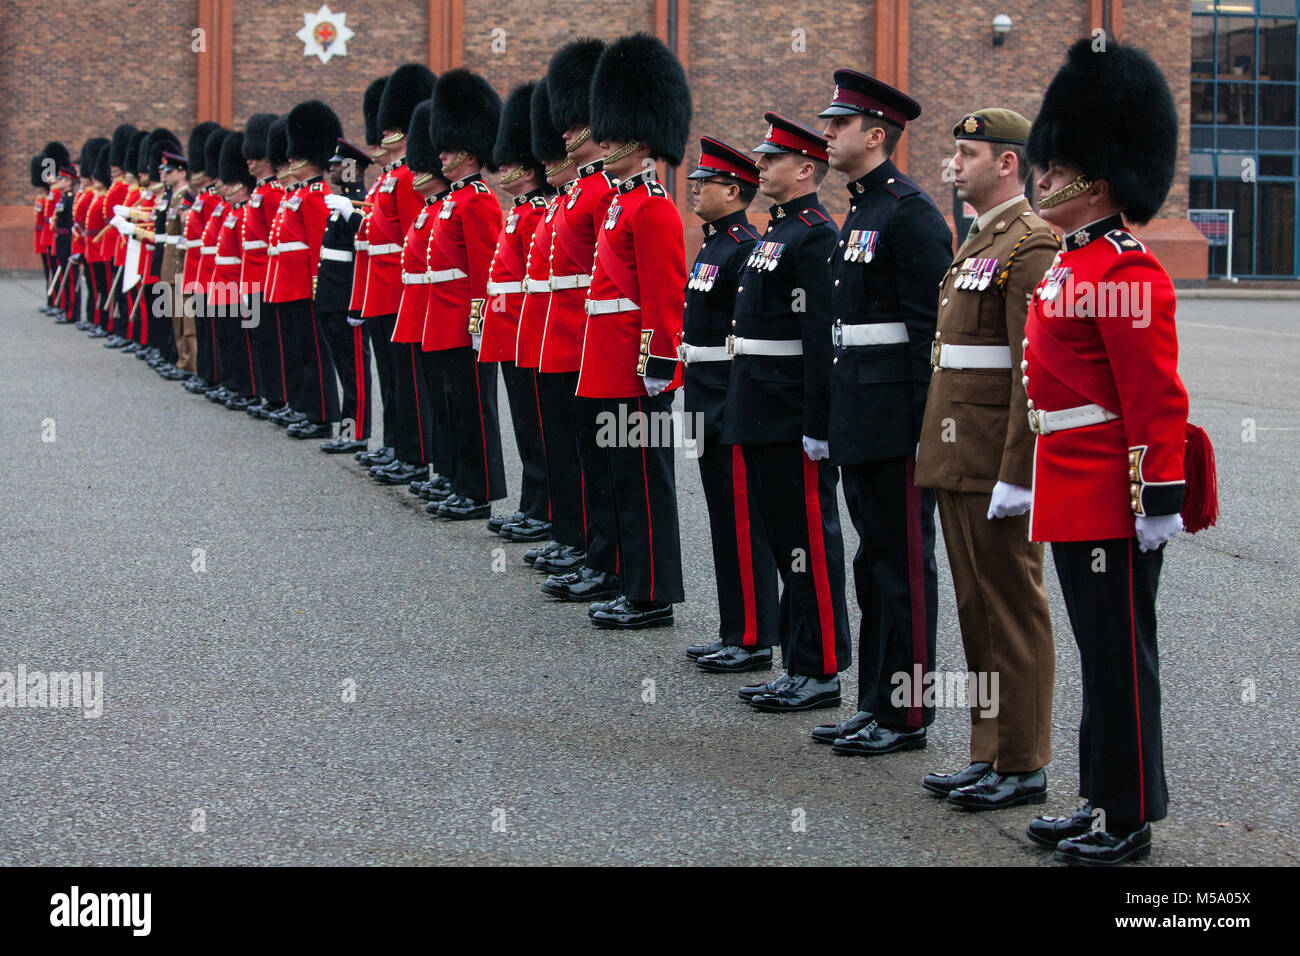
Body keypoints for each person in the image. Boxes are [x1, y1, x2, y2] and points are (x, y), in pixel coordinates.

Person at [1023, 38, 1195, 866]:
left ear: (1095, 182)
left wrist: (1159, 495)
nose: (1041, 179)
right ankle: (1097, 797)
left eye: (1055, 169)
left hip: (1111, 493)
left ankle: (1129, 819)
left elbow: (1155, 397)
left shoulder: (1128, 271)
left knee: (1122, 658)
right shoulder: (1072, 263)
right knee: (1099, 655)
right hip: (1070, 482)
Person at [914, 109, 1059, 808]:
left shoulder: (1030, 242)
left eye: (967, 153)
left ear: (1007, 163)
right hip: (958, 452)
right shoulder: (980, 238)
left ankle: (1023, 762)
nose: (954, 164)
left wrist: (1019, 473)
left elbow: (1033, 371)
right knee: (977, 608)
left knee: (1012, 608)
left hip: (995, 461)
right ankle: (989, 750)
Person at [815, 70, 952, 754]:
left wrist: (929, 430)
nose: (827, 133)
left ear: (875, 136)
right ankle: (874, 702)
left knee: (903, 567)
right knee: (873, 565)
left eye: (839, 124)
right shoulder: (863, 209)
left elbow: (931, 336)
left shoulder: (910, 212)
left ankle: (907, 712)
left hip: (897, 420)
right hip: (861, 415)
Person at [724, 114, 851, 710]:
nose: (760, 167)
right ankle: (797, 661)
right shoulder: (777, 231)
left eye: (771, 159)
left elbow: (821, 339)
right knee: (784, 543)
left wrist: (817, 423)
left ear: (805, 170)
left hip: (789, 411)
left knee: (809, 543)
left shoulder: (816, 235)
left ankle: (821, 668)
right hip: (758, 404)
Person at [577, 32, 691, 628]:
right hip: (607, 358)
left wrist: (659, 362)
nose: (602, 143)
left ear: (640, 142)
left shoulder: (653, 206)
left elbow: (664, 295)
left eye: (613, 134)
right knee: (620, 478)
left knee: (645, 481)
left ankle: (652, 595)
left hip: (635, 364)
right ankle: (630, 579)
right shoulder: (621, 203)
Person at [680, 136, 779, 670]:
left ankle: (755, 636)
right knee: (724, 518)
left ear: (733, 190)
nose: (695, 189)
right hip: (704, 391)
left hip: (727, 395)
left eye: (706, 182)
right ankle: (733, 628)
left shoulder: (742, 246)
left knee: (744, 520)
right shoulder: (714, 243)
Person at [534, 38, 620, 600]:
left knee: (594, 454)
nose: (565, 135)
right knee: (570, 446)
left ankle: (595, 549)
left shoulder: (603, 190)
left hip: (589, 332)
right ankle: (580, 540)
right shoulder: (574, 192)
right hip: (563, 330)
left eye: (575, 126)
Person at [424, 68, 507, 521]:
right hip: (443, 316)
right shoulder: (453, 200)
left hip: (464, 318)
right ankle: (459, 480)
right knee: (454, 405)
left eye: (449, 148)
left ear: (469, 151)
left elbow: (484, 268)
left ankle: (479, 491)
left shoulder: (478, 200)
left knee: (474, 407)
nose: (441, 154)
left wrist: (479, 321)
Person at [480, 81, 554, 542]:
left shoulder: (537, 212)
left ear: (527, 169)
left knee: (538, 427)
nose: (501, 168)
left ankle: (543, 508)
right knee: (526, 426)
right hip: (510, 330)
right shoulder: (519, 212)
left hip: (527, 330)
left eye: (509, 163)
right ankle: (531, 504)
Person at [362, 63, 436, 486]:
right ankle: (396, 444)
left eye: (391, 128)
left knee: (408, 378)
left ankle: (415, 453)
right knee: (391, 377)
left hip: (399, 287)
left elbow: (414, 241)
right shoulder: (390, 178)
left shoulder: (407, 178)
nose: (384, 135)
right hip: (381, 287)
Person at [276, 100, 343, 441]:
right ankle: (303, 406)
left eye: (296, 154)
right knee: (299, 350)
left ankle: (321, 416)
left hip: (306, 284)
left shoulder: (316, 195)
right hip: (289, 284)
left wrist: (318, 286)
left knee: (315, 353)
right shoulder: (299, 194)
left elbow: (319, 247)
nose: (290, 159)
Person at [314, 136, 375, 454]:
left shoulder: (360, 204)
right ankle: (347, 431)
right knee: (343, 368)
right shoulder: (341, 204)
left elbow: (367, 242)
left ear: (355, 169)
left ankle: (356, 434)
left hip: (348, 296)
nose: (333, 169)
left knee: (355, 372)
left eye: (340, 165)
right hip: (331, 293)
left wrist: (352, 214)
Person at [240, 113, 287, 420]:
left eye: (254, 156)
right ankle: (267, 393)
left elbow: (275, 240)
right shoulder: (259, 192)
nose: (248, 161)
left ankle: (277, 396)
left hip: (265, 276)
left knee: (270, 340)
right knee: (258, 339)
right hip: (252, 275)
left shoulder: (272, 193)